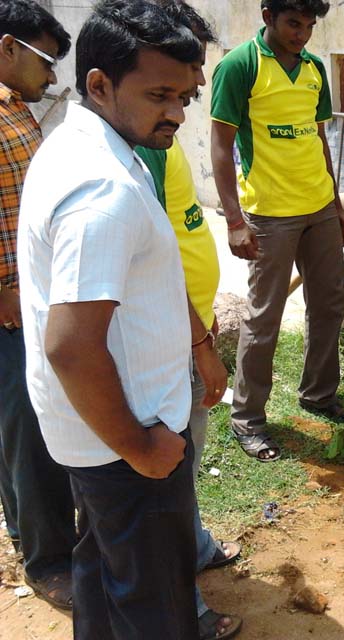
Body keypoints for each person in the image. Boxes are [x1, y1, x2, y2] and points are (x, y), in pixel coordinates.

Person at [17, 1, 202, 637]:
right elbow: (70, 345)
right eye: (160, 95)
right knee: (155, 607)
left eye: (185, 95)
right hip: (127, 437)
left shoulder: (85, 144)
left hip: (101, 434)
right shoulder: (101, 189)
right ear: (99, 84)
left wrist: (198, 342)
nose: (177, 113)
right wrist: (141, 447)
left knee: (103, 575)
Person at [135, 2, 242, 637]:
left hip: (185, 323)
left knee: (188, 455)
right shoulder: (142, 144)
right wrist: (200, 342)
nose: (191, 98)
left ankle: (194, 544)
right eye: (179, 84)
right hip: (168, 335)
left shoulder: (157, 138)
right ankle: (180, 606)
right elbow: (150, 261)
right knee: (167, 470)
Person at [211, 0, 344, 462]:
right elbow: (220, 145)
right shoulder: (240, 66)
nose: (303, 34)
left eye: (310, 25)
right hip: (269, 215)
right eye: (295, 23)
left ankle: (318, 393)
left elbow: (319, 139)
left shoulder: (314, 69)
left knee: (329, 304)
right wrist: (235, 221)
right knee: (264, 318)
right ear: (268, 14)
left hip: (319, 210)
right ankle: (248, 418)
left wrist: (336, 206)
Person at [0, 0, 75, 611]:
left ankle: (42, 535)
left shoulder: (15, 111)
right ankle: (46, 559)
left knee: (32, 422)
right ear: (7, 47)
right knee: (26, 429)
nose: (51, 76)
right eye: (46, 61)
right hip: (5, 307)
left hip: (29, 298)